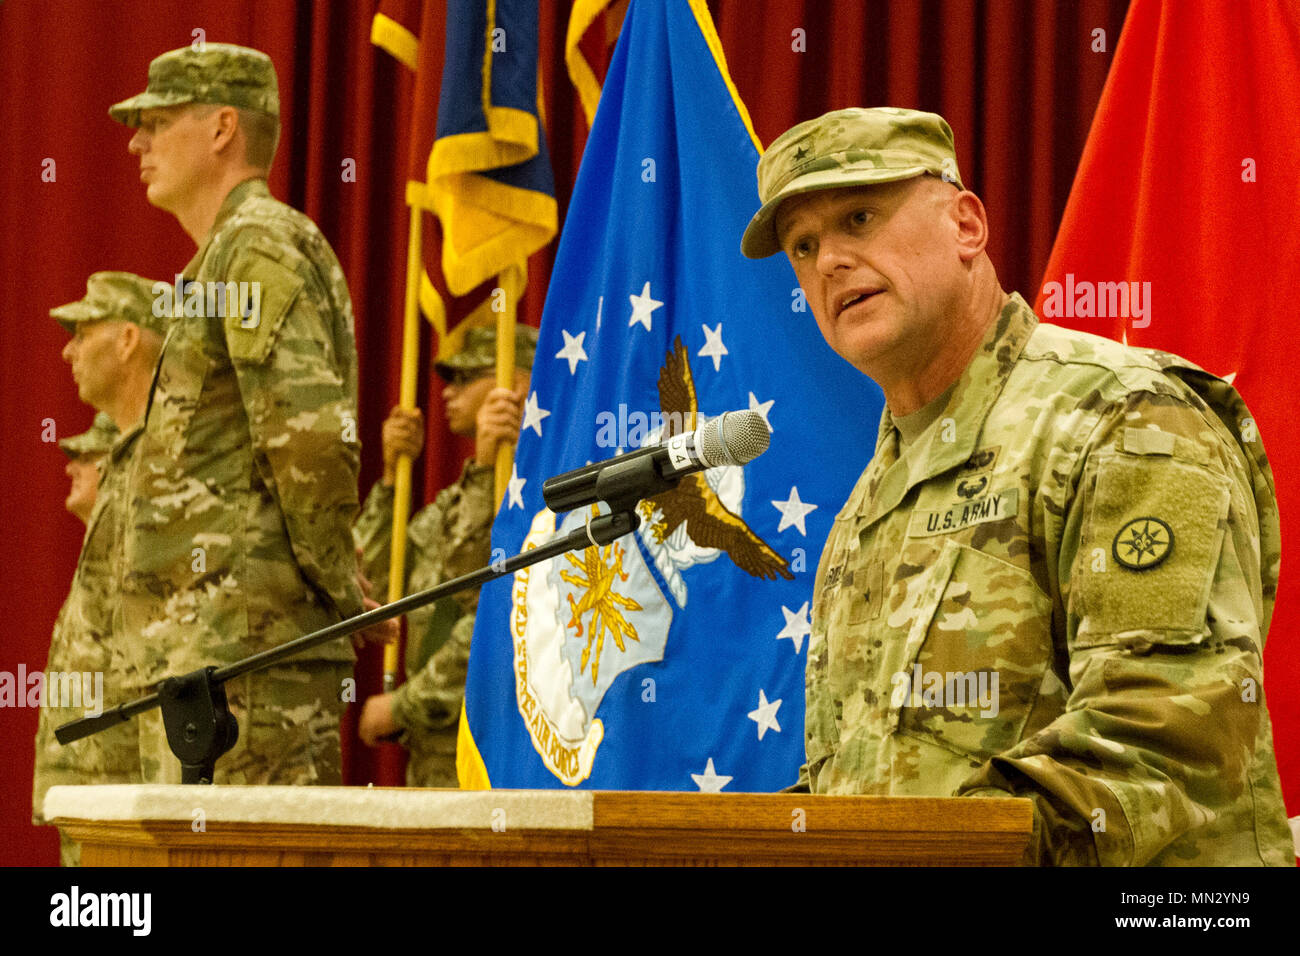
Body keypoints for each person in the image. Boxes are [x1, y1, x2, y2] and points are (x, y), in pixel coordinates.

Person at [741, 107, 1294, 866]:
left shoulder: (1124, 417)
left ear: (967, 225)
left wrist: (918, 858)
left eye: (859, 217)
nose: (829, 260)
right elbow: (861, 786)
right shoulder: (865, 507)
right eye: (803, 247)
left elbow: (1165, 740)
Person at [109, 43, 368, 785]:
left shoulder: (258, 247)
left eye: (156, 122)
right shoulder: (224, 257)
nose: (137, 141)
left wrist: (334, 591)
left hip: (252, 661)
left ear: (223, 128)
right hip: (210, 656)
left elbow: (309, 442)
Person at [355, 324, 535, 787]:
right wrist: (394, 475)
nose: (448, 393)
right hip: (434, 750)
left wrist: (403, 706)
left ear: (515, 385)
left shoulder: (538, 494)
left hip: (492, 736)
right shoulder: (456, 498)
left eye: (465, 377)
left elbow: (493, 613)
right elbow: (371, 582)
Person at [34, 271, 169, 864]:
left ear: (128, 339)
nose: (68, 349)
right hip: (98, 788)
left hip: (135, 788)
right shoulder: (132, 458)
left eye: (84, 330)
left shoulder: (170, 457)